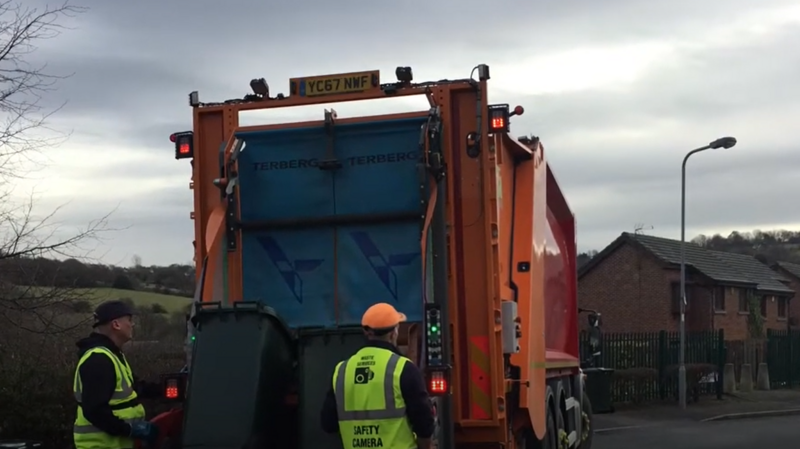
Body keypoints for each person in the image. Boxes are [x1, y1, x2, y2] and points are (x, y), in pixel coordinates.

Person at [320, 303, 435, 449]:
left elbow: (328, 424)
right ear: (394, 333)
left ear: (367, 333)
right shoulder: (403, 368)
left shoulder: (342, 370)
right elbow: (424, 422)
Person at [73, 300, 160, 449]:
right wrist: (129, 430)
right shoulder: (98, 359)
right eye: (129, 320)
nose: (132, 325)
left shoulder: (112, 355)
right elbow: (94, 410)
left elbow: (134, 387)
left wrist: (167, 389)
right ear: (116, 325)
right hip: (102, 446)